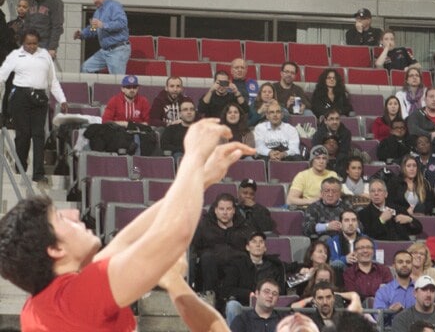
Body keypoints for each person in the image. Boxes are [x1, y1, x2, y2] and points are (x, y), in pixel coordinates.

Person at [0, 120, 251, 332]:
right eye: (61, 218)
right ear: (55, 250)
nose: (75, 213)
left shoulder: (43, 303)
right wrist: (194, 155)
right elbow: (176, 234)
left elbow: (127, 239)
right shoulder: (75, 298)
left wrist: (202, 178)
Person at [0, 30, 67, 182]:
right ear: (23, 43)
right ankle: (21, 166)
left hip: (39, 98)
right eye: (28, 44)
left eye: (34, 43)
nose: (31, 46)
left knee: (38, 135)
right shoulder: (15, 55)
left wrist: (62, 99)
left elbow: (52, 81)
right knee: (23, 135)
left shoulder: (45, 56)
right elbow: (2, 75)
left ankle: (38, 173)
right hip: (20, 97)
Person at [73, 0, 130, 74]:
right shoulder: (98, 11)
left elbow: (122, 23)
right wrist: (82, 34)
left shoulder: (114, 6)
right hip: (105, 50)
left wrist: (103, 25)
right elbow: (93, 29)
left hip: (118, 49)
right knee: (85, 68)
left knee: (116, 80)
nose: (94, 1)